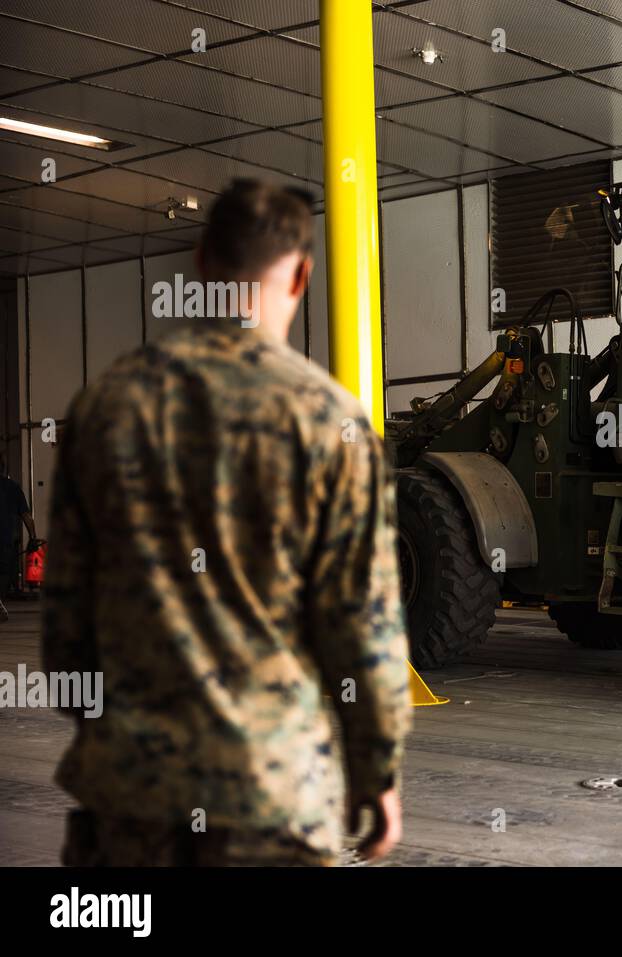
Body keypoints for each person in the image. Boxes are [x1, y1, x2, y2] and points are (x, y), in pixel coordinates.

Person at [41, 180, 412, 866]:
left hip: (131, 802)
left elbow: (65, 631)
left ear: (201, 261)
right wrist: (376, 768)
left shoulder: (105, 407)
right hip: (275, 796)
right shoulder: (329, 422)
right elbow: (363, 627)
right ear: (302, 273)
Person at [0, 455, 37, 621]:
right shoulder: (13, 488)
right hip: (5, 541)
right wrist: (33, 537)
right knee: (3, 574)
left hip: (5, 541)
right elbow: (27, 516)